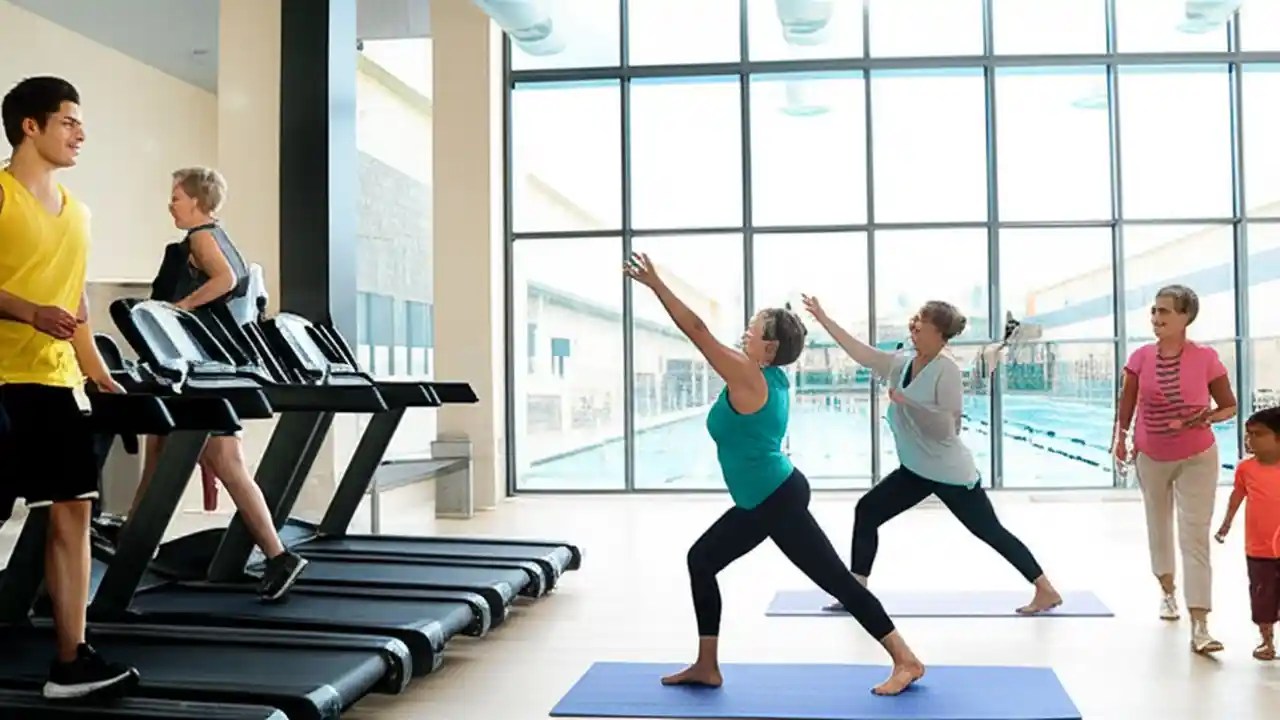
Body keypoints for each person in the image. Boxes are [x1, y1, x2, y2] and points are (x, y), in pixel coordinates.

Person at [623, 253, 925, 697]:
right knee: (704, 560)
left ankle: (906, 660)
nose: (746, 330)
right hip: (770, 495)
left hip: (772, 499)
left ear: (769, 347)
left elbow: (697, 331)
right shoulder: (771, 375)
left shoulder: (750, 375)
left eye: (754, 327)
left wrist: (656, 284)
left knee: (831, 579)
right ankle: (707, 665)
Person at [0, 76, 139, 698]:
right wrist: (29, 311)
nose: (80, 133)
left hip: (53, 384)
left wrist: (97, 374)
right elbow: (44, 305)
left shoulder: (78, 210)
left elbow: (76, 301)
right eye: (69, 121)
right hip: (0, 380)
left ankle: (71, 659)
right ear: (30, 126)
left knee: (74, 509)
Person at [801, 295, 1063, 615]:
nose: (914, 329)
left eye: (921, 325)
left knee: (989, 531)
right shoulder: (903, 363)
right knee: (867, 510)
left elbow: (947, 427)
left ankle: (1045, 589)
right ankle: (857, 592)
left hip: (950, 472)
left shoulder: (946, 370)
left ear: (939, 333)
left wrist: (906, 401)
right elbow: (862, 354)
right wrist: (824, 318)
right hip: (916, 469)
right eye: (915, 323)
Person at [132, 166, 308, 602]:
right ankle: (134, 542)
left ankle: (277, 554)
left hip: (201, 372)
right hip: (200, 369)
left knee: (227, 463)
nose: (170, 203)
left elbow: (225, 281)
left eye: (176, 196)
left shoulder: (201, 238)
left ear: (195, 201)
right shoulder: (217, 237)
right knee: (158, 452)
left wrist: (179, 311)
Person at [1114, 284, 1236, 654]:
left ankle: (1201, 624)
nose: (1156, 318)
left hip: (1197, 455)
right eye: (1154, 311)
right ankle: (1167, 591)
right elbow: (1127, 403)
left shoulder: (1207, 358)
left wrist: (1207, 418)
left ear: (1186, 317)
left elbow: (1229, 406)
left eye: (1165, 312)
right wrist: (1120, 438)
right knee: (1159, 527)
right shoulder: (1139, 358)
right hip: (1151, 455)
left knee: (1194, 536)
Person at [1215, 407, 1280, 661]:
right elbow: (1237, 497)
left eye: (1258, 434)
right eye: (1248, 434)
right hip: (1258, 548)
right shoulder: (1246, 469)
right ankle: (1267, 640)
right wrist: (1226, 523)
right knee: (1262, 596)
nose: (1249, 440)